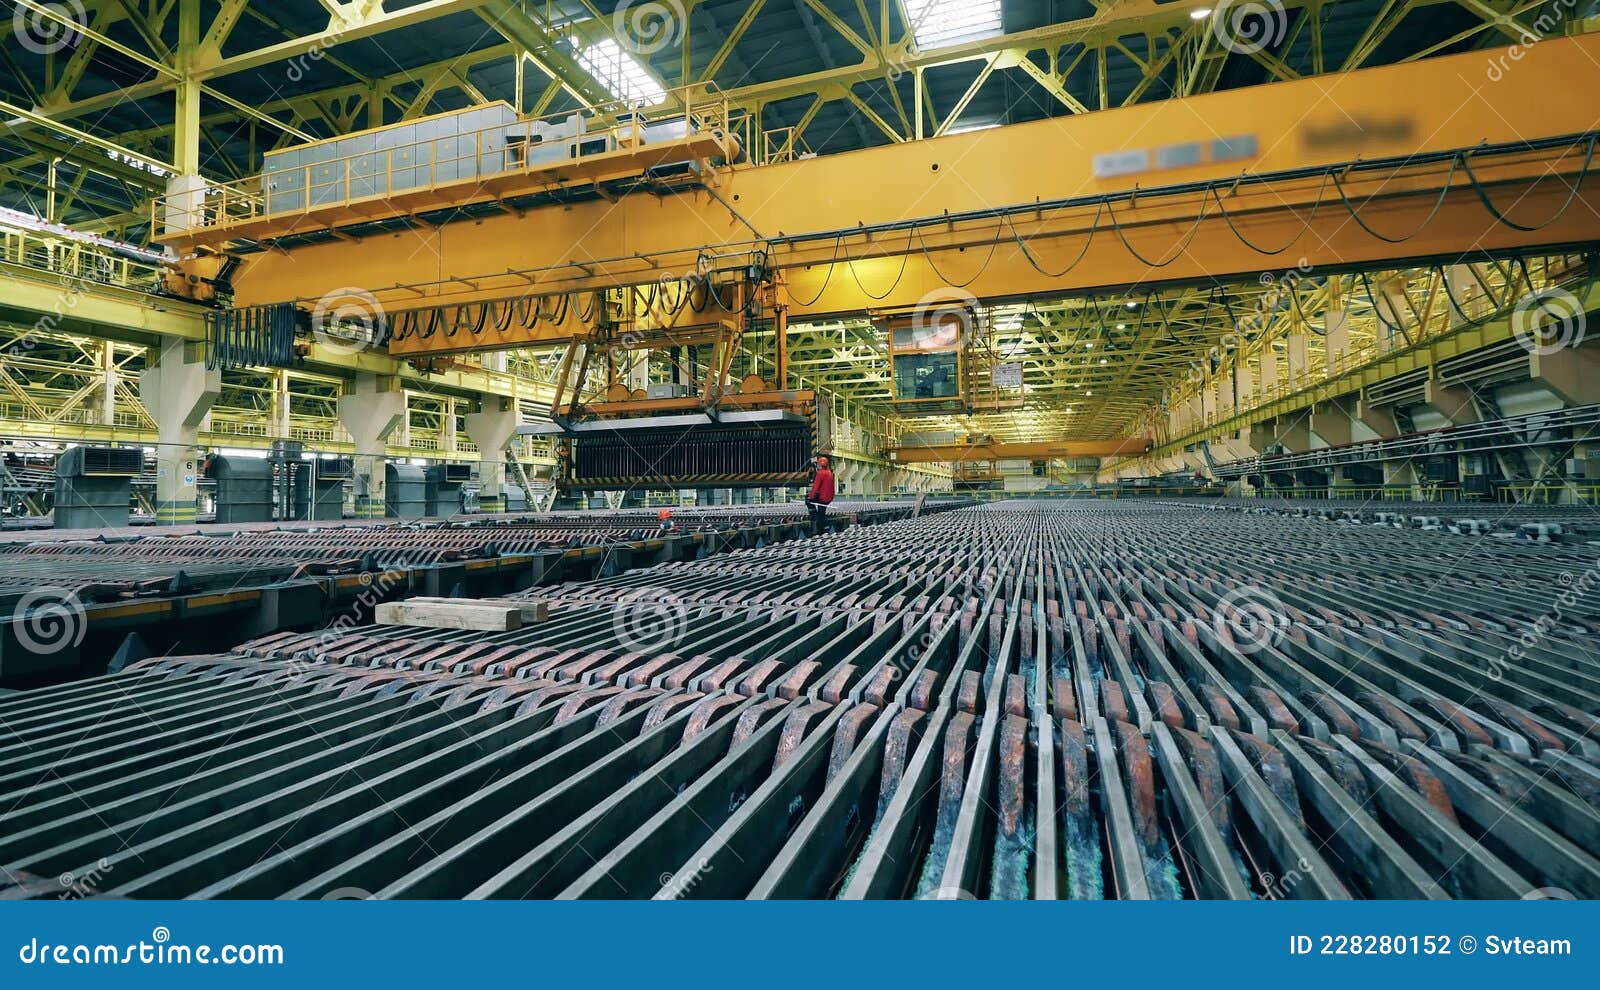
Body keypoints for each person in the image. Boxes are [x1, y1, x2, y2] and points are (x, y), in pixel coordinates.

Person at [805, 455, 835, 535]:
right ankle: (823, 529)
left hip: (822, 498)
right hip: (828, 498)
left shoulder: (820, 473)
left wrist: (811, 497)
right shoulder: (830, 473)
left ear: (819, 464)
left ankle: (815, 518)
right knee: (821, 512)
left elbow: (816, 487)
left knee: (807, 500)